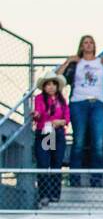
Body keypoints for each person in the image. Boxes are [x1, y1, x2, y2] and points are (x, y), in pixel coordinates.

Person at [59, 35, 103, 187]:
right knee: (78, 142)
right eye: (85, 43)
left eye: (91, 42)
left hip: (98, 103)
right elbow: (58, 77)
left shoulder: (101, 62)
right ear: (81, 46)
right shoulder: (76, 63)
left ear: (94, 45)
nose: (88, 45)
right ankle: (74, 179)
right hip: (78, 103)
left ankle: (96, 180)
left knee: (98, 143)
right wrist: (68, 61)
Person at [31, 74, 70, 207]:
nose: (51, 87)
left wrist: (61, 121)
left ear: (57, 86)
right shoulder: (39, 98)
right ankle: (44, 194)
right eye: (48, 84)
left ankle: (54, 194)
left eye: (54, 84)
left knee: (56, 164)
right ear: (44, 86)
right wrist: (36, 115)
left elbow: (67, 117)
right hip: (45, 133)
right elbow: (39, 113)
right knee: (43, 163)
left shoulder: (62, 100)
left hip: (57, 133)